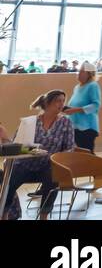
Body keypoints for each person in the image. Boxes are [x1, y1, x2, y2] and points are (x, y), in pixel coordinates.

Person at [1, 89, 76, 218]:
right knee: (9, 181)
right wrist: (32, 150)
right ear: (47, 103)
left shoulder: (66, 123)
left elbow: (69, 148)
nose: (61, 104)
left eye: (63, 101)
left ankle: (44, 215)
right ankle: (4, 214)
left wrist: (54, 158)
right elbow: (17, 146)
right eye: (58, 101)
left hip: (49, 165)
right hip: (25, 164)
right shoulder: (29, 122)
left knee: (53, 177)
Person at [63, 61, 102, 151]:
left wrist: (76, 110)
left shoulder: (93, 85)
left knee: (86, 154)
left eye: (81, 71)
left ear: (89, 74)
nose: (78, 73)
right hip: (75, 126)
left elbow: (96, 105)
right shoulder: (77, 87)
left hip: (87, 128)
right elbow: (75, 104)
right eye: (79, 71)